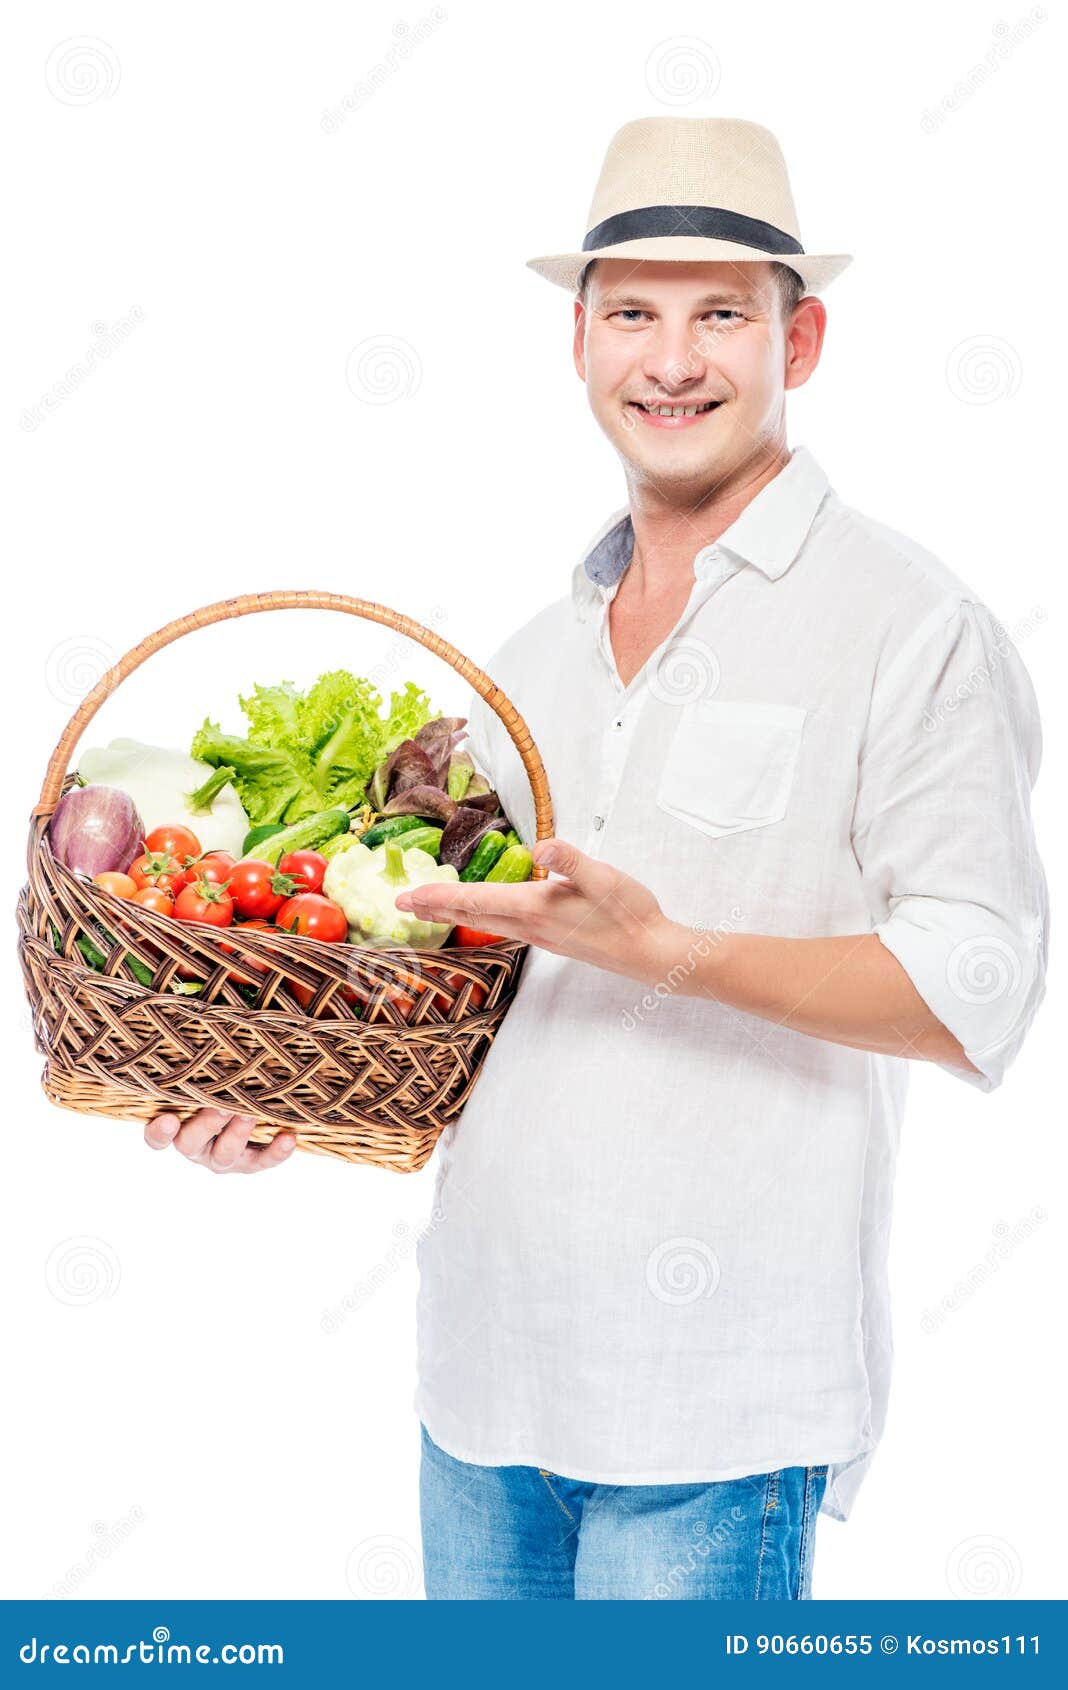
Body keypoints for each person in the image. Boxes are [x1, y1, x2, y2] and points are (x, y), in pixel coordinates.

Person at [146, 117, 1049, 1600]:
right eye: (632, 311)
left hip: (714, 1418)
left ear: (799, 339)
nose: (672, 360)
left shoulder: (910, 624)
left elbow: (978, 982)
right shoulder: (528, 665)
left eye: (721, 315)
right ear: (578, 342)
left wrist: (666, 950)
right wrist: (275, 1091)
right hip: (485, 1397)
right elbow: (451, 995)